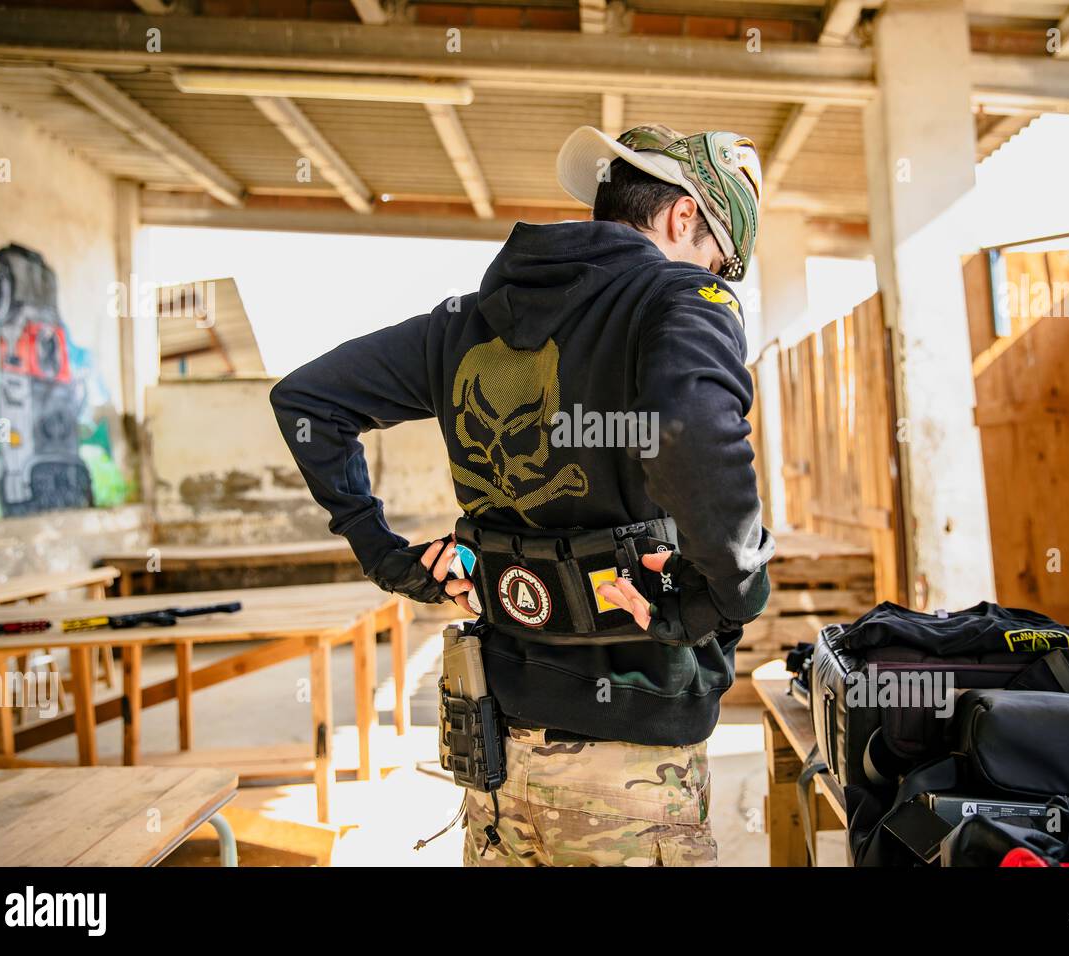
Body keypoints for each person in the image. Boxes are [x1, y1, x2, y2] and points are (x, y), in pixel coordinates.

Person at [271, 123, 775, 866]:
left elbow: (308, 402)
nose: (718, 276)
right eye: (722, 260)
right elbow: (691, 425)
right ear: (682, 217)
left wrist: (386, 556)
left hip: (496, 758)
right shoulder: (682, 298)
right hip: (633, 770)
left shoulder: (464, 323)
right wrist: (732, 592)